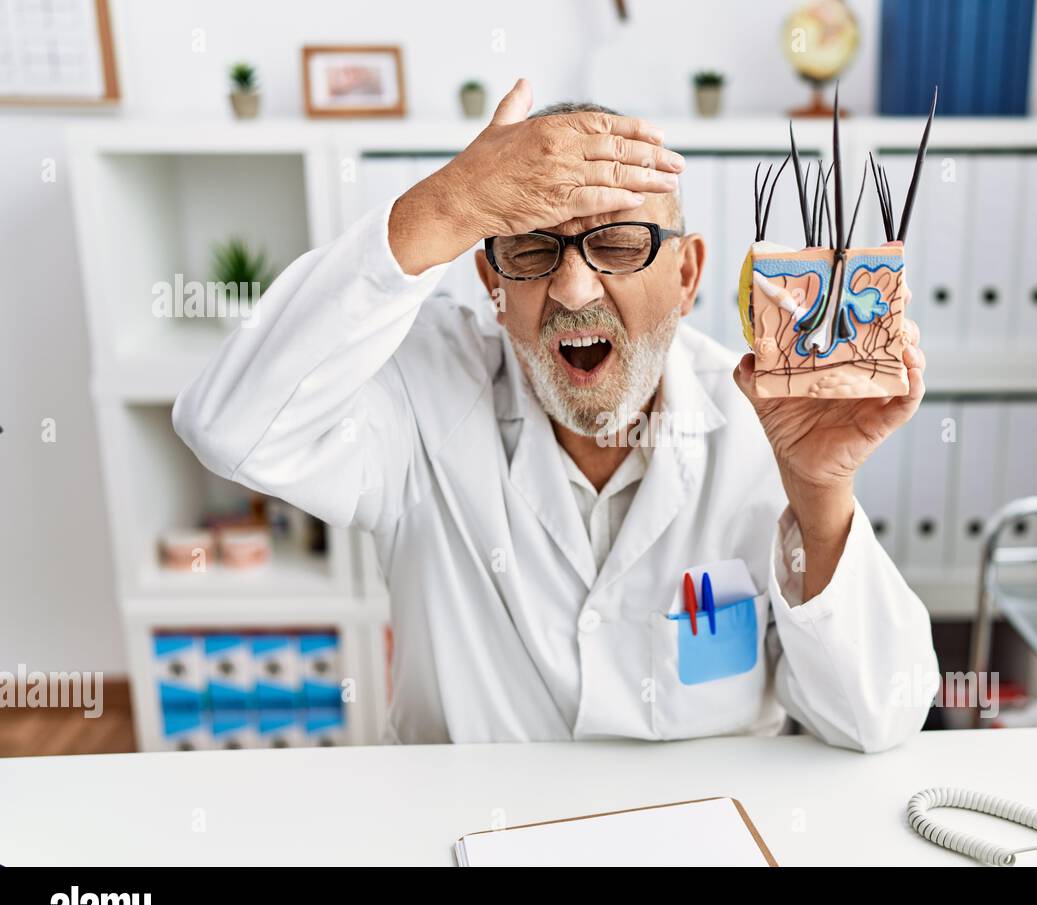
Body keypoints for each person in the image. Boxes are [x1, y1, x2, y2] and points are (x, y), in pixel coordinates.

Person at [174, 79, 938, 750]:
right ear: (490, 279)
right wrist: (449, 202)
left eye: (616, 243)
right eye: (534, 251)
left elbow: (877, 718)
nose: (573, 291)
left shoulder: (767, 418)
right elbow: (232, 427)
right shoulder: (424, 387)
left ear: (688, 272)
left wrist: (819, 497)